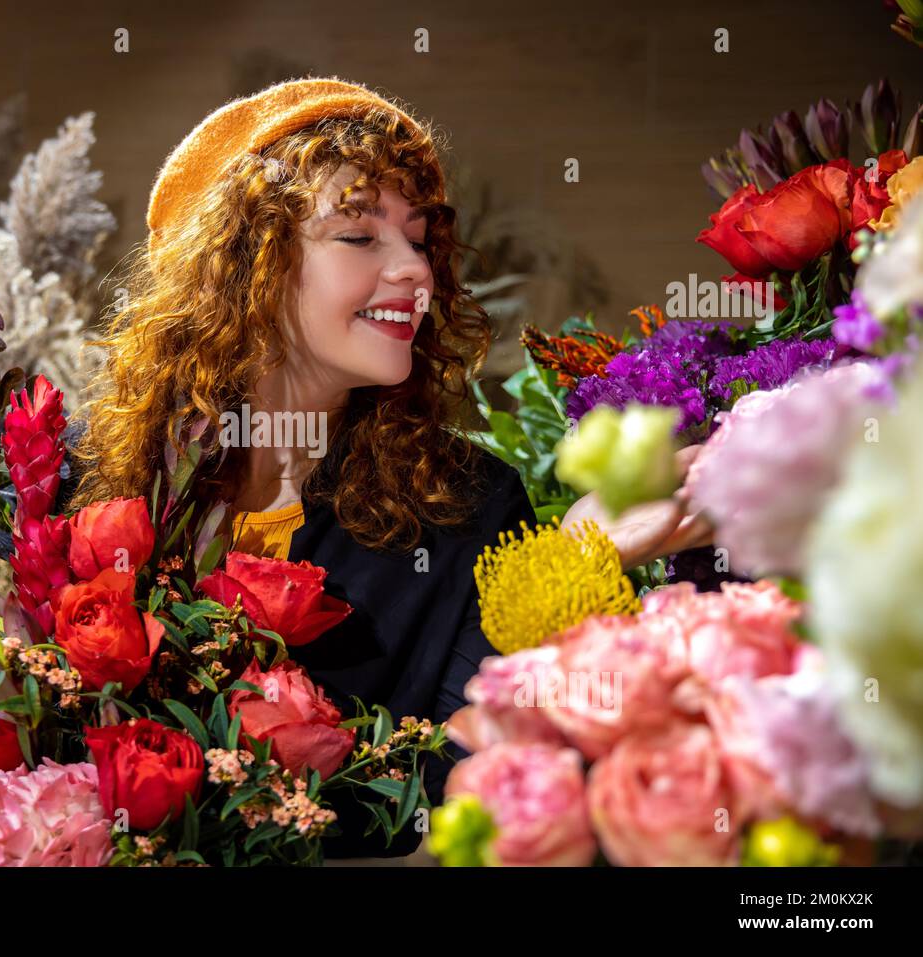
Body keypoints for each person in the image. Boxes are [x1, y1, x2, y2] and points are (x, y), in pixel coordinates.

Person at [57, 76, 709, 862]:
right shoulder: (89, 489)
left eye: (419, 237)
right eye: (361, 236)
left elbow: (465, 798)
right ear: (242, 268)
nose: (415, 271)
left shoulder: (466, 505)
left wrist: (572, 559)